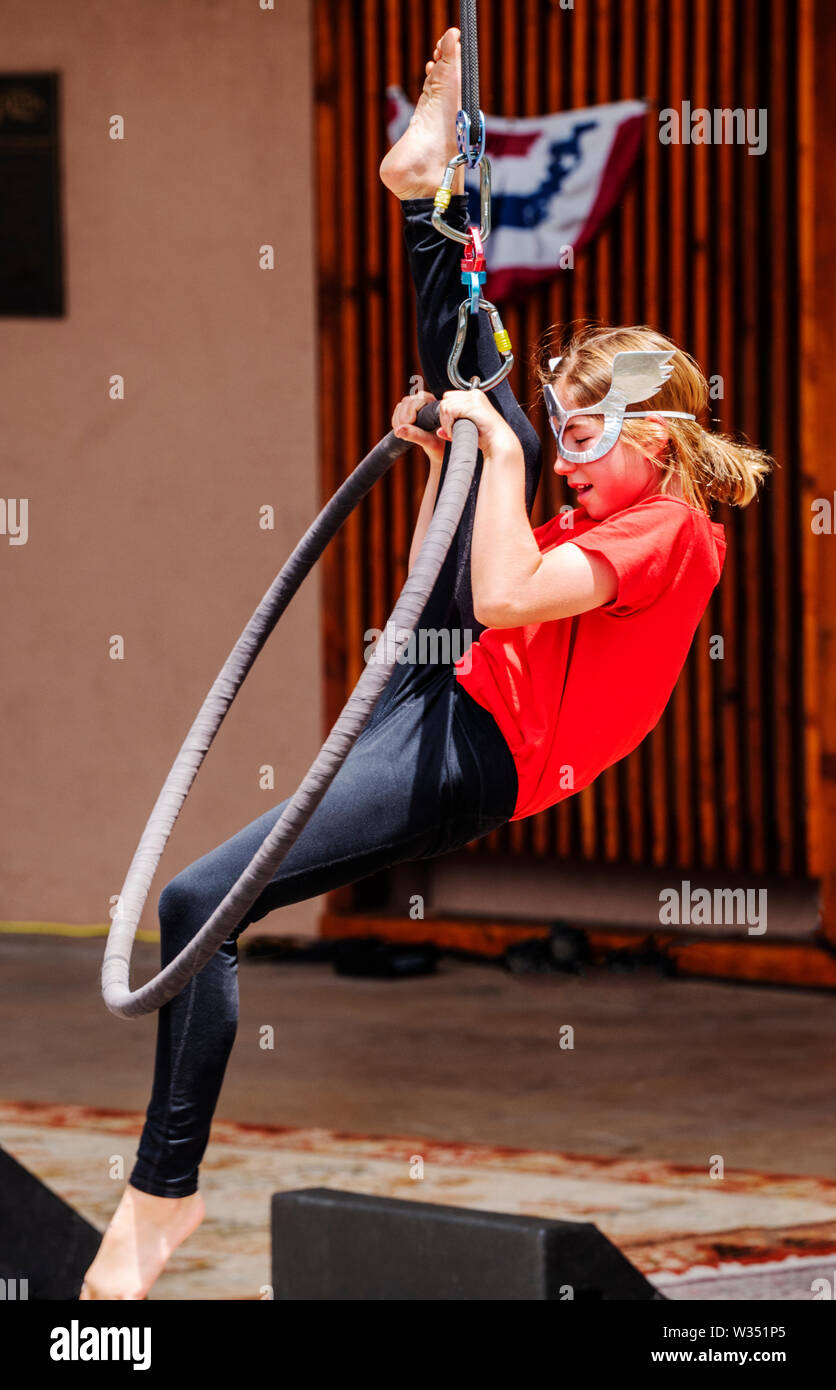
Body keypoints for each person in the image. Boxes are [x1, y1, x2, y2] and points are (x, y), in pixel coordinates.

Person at [80, 27, 771, 1300]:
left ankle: (156, 1207)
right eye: (561, 428)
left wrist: (496, 462)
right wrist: (454, 453)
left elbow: (505, 596)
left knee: (193, 909)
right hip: (442, 678)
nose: (566, 450)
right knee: (469, 388)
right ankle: (433, 199)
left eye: (588, 429)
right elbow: (453, 575)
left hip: (485, 748)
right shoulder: (581, 502)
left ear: (660, 439)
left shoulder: (672, 532)